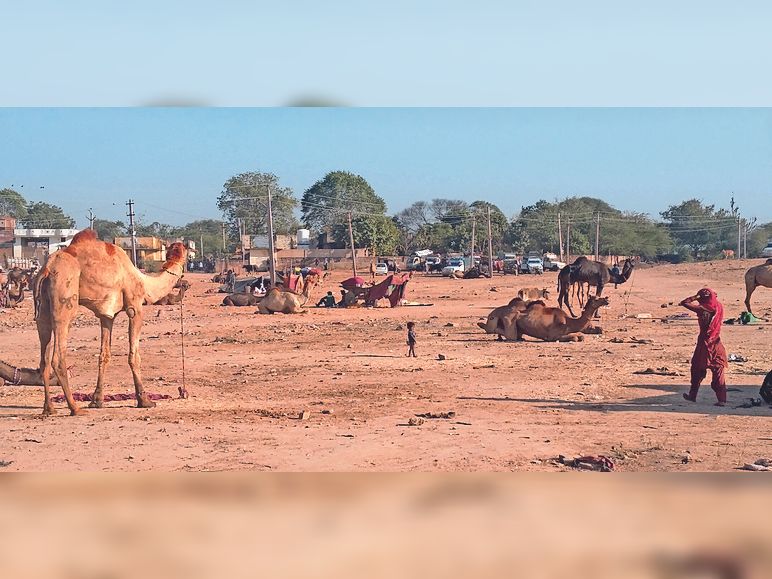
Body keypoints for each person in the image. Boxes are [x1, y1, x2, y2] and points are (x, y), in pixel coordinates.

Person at [680, 288, 728, 406]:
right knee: (718, 371)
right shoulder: (718, 307)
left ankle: (693, 395)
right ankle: (721, 399)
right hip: (716, 343)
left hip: (704, 344)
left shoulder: (702, 309)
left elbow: (684, 302)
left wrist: (695, 297)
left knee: (696, 369)